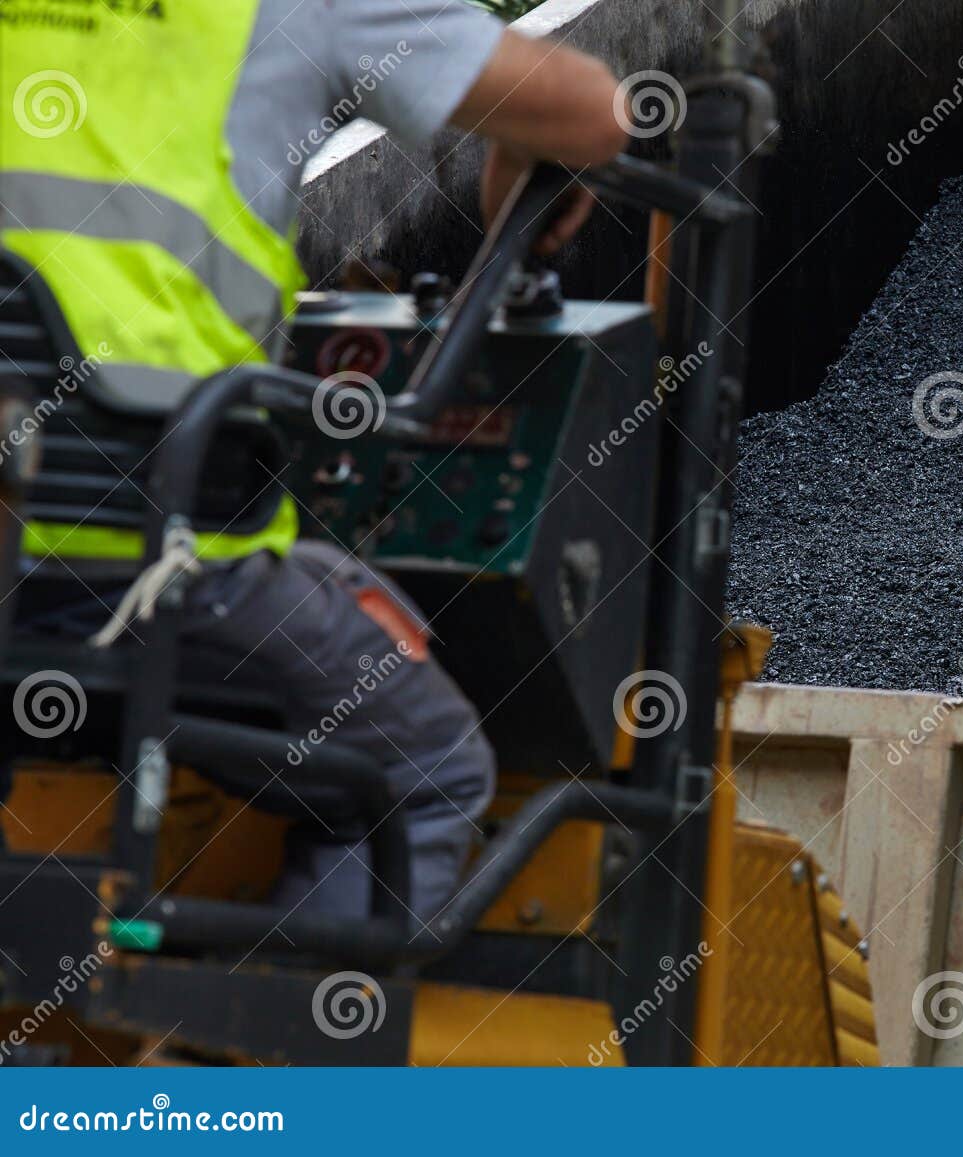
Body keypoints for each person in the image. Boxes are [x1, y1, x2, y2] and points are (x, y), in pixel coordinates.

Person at [0, 0, 630, 920]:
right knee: (427, 766)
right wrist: (516, 146)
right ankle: (277, 1009)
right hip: (146, 553)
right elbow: (593, 112)